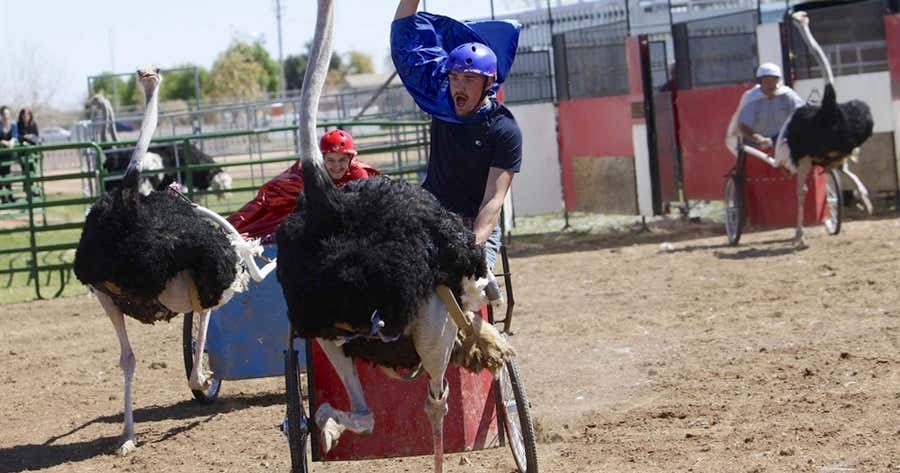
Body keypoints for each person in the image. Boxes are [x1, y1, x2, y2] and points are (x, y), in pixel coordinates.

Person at [392, 0, 523, 301]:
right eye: (454, 78)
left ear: (488, 83)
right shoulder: (442, 104)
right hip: (431, 212)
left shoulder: (505, 130)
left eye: (468, 79)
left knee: (466, 289)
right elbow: (403, 35)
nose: (458, 87)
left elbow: (493, 200)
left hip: (474, 224)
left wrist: (472, 248)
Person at [227, 129, 379, 243]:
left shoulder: (360, 175)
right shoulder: (304, 174)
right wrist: (232, 227)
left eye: (342, 160)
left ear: (351, 159)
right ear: (321, 158)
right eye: (331, 160)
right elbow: (266, 202)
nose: (336, 166)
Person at [726, 62, 804, 170]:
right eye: (766, 80)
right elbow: (743, 126)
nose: (770, 84)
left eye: (773, 80)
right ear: (760, 82)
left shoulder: (788, 96)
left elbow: (802, 114)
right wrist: (760, 139)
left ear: (778, 80)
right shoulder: (752, 98)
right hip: (757, 144)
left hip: (783, 140)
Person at [0, 106, 18, 203]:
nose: (6, 116)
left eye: (7, 114)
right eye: (4, 114)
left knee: (7, 174)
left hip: (9, 154)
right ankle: (3, 197)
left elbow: (15, 137)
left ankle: (10, 196)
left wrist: (11, 142)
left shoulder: (13, 125)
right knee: (1, 175)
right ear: (1, 115)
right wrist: (3, 142)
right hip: (0, 154)